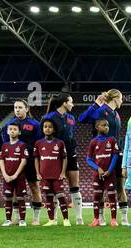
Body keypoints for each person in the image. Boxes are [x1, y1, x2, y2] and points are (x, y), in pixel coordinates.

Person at [41, 92, 83, 224]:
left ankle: (79, 218)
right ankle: (54, 219)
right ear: (64, 103)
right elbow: (42, 137)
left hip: (70, 153)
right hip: (54, 156)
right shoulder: (49, 117)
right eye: (71, 101)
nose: (73, 104)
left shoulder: (71, 117)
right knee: (54, 188)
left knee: (74, 186)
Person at [6, 99, 43, 224]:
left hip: (31, 161)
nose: (17, 109)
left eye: (20, 107)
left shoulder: (35, 124)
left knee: (34, 187)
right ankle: (17, 218)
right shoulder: (10, 123)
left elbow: (39, 143)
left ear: (26, 109)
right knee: (16, 189)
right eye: (15, 107)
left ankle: (36, 218)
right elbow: (6, 143)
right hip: (15, 161)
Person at [85, 114, 120, 227]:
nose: (106, 127)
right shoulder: (93, 142)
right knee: (96, 197)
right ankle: (96, 219)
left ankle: (113, 219)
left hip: (110, 174)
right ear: (97, 127)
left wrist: (109, 170)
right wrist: (98, 168)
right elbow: (88, 159)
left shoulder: (112, 140)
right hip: (98, 174)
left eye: (107, 125)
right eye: (103, 125)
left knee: (111, 196)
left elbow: (115, 156)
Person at [34, 119, 71, 225]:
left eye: (50, 127)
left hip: (56, 175)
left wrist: (63, 172)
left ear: (54, 129)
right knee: (48, 197)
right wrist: (37, 173)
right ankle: (51, 220)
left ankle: (66, 219)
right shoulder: (38, 143)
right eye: (45, 127)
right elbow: (36, 159)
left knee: (60, 196)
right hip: (44, 175)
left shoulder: (59, 143)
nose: (47, 129)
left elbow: (64, 158)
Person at [0, 121, 30, 227]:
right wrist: (5, 174)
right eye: (10, 129)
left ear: (19, 132)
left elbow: (24, 161)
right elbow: (1, 160)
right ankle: (8, 220)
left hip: (19, 177)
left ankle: (22, 220)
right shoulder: (4, 145)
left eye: (15, 129)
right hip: (7, 177)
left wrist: (15, 175)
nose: (12, 131)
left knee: (21, 198)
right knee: (8, 198)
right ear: (7, 131)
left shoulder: (22, 145)